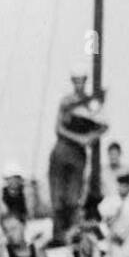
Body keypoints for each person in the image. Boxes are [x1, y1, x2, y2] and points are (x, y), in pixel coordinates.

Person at [47, 68, 106, 244]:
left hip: (78, 155)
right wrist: (79, 138)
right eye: (76, 80)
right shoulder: (67, 102)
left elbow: (104, 125)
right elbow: (58, 128)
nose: (79, 83)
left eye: (82, 80)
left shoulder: (91, 104)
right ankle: (58, 237)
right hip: (62, 149)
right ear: (73, 82)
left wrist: (90, 137)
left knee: (74, 199)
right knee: (58, 199)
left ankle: (72, 238)